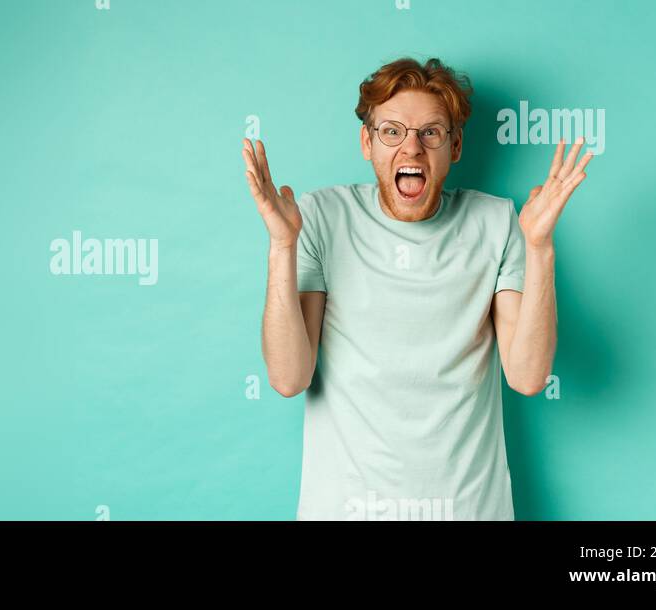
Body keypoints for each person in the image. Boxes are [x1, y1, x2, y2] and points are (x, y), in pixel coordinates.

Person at [242, 57, 593, 520]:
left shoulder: (497, 222)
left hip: (468, 509)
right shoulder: (321, 217)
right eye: (392, 131)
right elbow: (289, 377)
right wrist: (282, 246)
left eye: (431, 133)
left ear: (456, 145)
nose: (411, 149)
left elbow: (527, 377)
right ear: (367, 142)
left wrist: (540, 247)